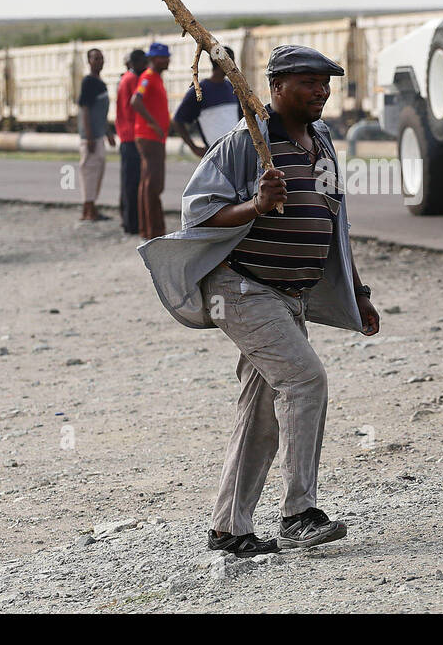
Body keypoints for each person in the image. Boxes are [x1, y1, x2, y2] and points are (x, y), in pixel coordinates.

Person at [138, 44, 379, 557]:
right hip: (243, 288)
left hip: (291, 294)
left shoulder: (322, 142)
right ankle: (299, 513)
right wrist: (255, 205)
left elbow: (335, 222)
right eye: (308, 82)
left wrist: (357, 290)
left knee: (264, 408)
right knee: (304, 379)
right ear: (275, 88)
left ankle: (229, 528)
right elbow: (197, 214)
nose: (322, 90)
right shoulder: (245, 142)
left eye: (325, 81)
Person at [128, 42, 172, 239]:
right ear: (154, 59)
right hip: (149, 137)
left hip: (154, 138)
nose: (168, 60)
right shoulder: (147, 77)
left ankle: (148, 228)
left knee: (149, 183)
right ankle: (153, 230)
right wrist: (154, 124)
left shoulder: (155, 78)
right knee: (153, 184)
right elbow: (135, 101)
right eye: (164, 57)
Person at [171, 45, 243, 157]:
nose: (233, 66)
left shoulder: (231, 87)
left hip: (236, 150)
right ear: (220, 63)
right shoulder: (200, 90)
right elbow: (177, 121)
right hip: (215, 155)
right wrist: (194, 148)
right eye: (231, 61)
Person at [77, 48, 116, 222]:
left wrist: (108, 132)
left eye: (101, 58)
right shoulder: (88, 82)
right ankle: (88, 210)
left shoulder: (100, 82)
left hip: (99, 135)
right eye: (95, 58)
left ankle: (91, 208)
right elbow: (85, 110)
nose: (99, 61)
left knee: (98, 172)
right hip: (90, 138)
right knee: (89, 173)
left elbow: (102, 113)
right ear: (89, 61)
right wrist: (90, 136)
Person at [115, 49, 148, 235]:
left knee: (128, 181)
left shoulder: (126, 78)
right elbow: (136, 107)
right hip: (132, 136)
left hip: (127, 136)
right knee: (132, 182)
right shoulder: (133, 80)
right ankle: (132, 223)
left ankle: (128, 220)